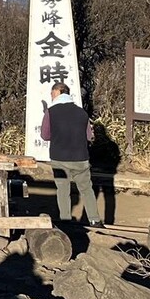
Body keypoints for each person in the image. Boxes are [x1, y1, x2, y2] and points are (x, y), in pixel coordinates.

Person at [41, 81, 103, 227]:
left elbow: (45, 135)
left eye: (51, 93)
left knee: (63, 190)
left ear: (57, 92)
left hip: (59, 158)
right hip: (80, 158)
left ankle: (65, 221)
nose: (51, 96)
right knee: (87, 189)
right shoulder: (82, 113)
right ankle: (94, 220)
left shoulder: (51, 112)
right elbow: (89, 136)